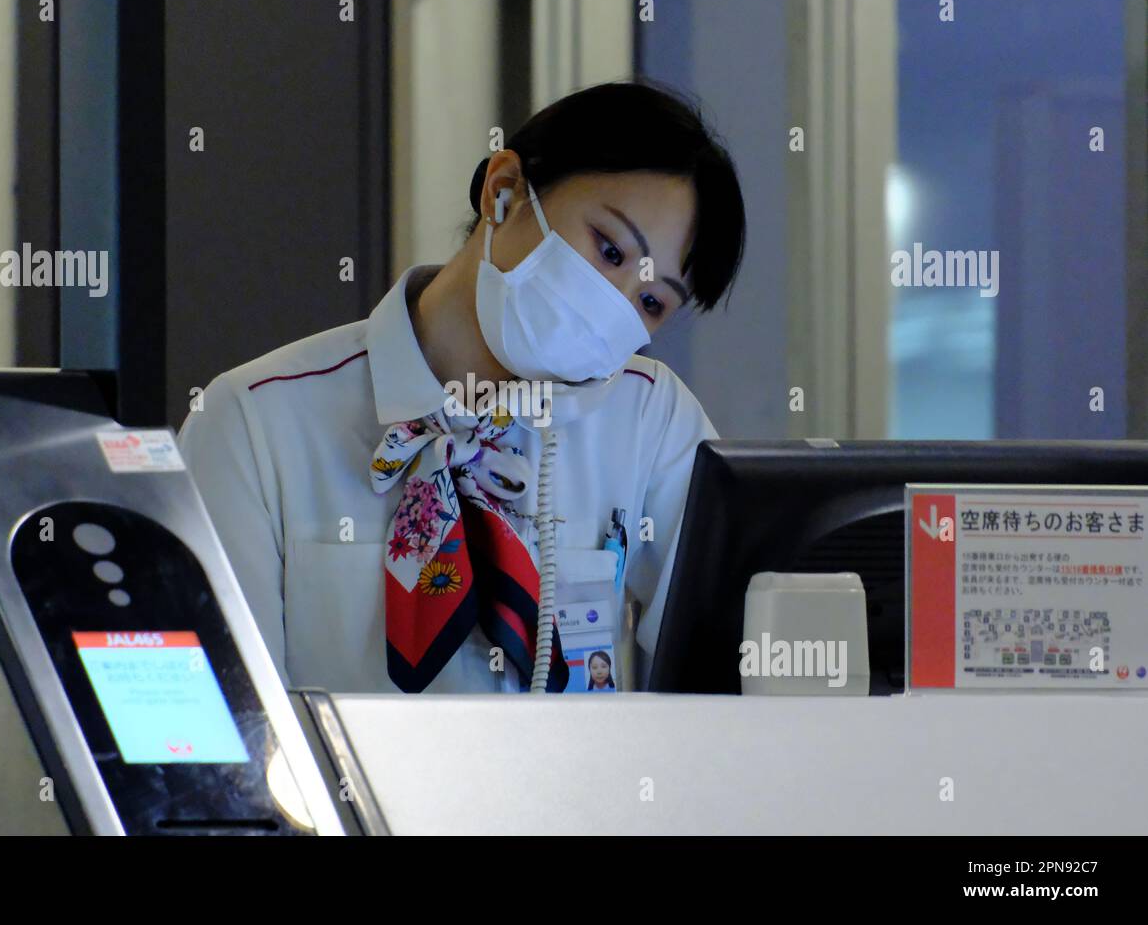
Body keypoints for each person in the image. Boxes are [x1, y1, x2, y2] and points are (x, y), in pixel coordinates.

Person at [177, 79, 745, 695]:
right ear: (504, 191)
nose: (614, 306)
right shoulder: (253, 425)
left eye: (652, 300)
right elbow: (222, 734)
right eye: (608, 250)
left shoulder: (649, 421)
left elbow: (739, 674)